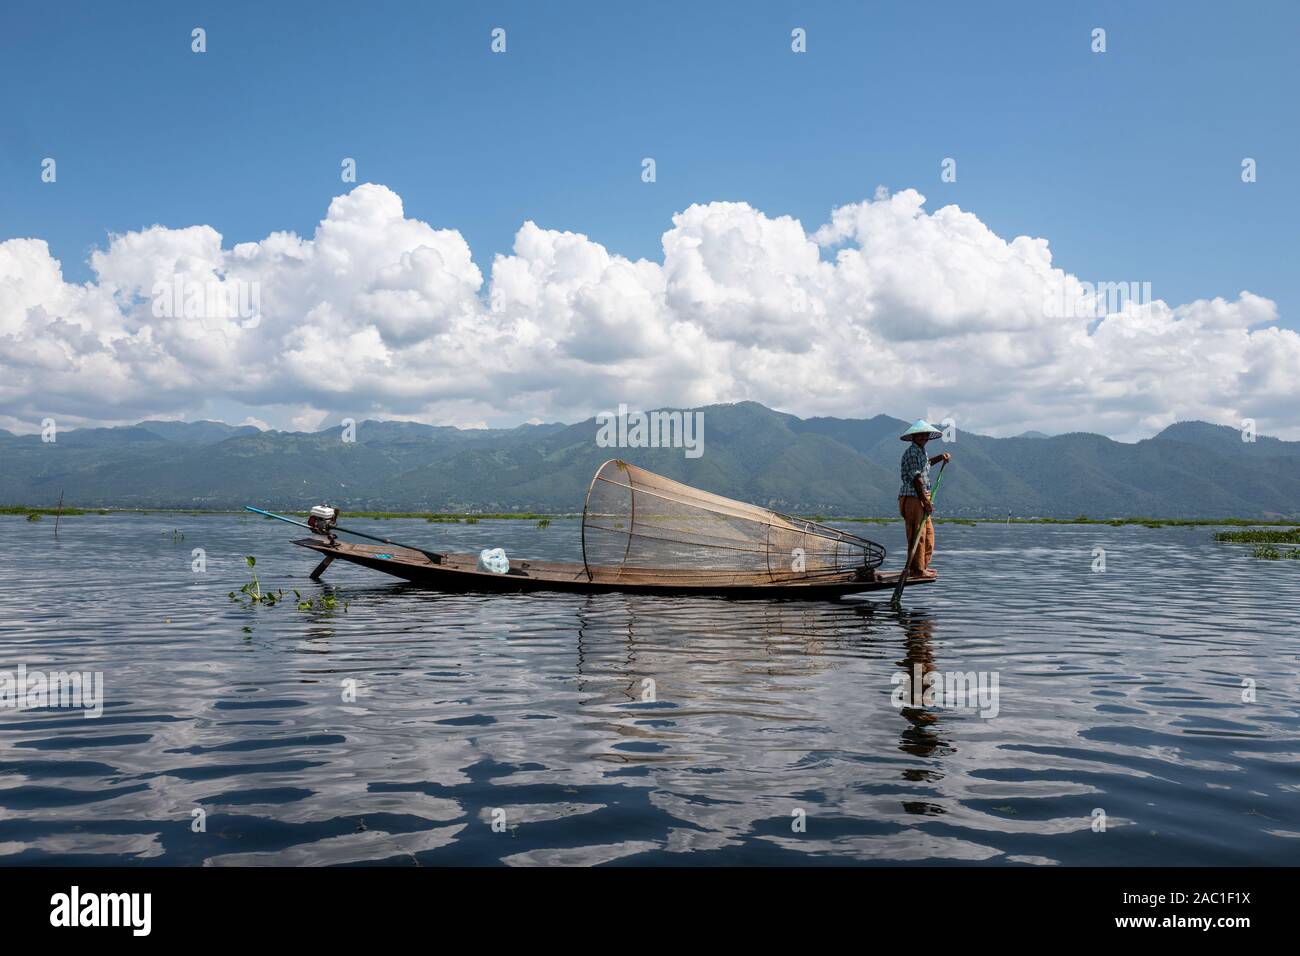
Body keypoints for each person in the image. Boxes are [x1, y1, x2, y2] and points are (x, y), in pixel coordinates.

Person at [898, 420, 951, 578]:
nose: (923, 437)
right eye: (920, 435)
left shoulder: (921, 452)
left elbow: (925, 465)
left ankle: (921, 567)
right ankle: (918, 570)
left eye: (925, 435)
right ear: (913, 437)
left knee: (928, 534)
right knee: (917, 535)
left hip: (921, 496)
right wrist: (925, 501)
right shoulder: (913, 452)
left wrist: (941, 457)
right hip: (913, 497)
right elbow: (916, 478)